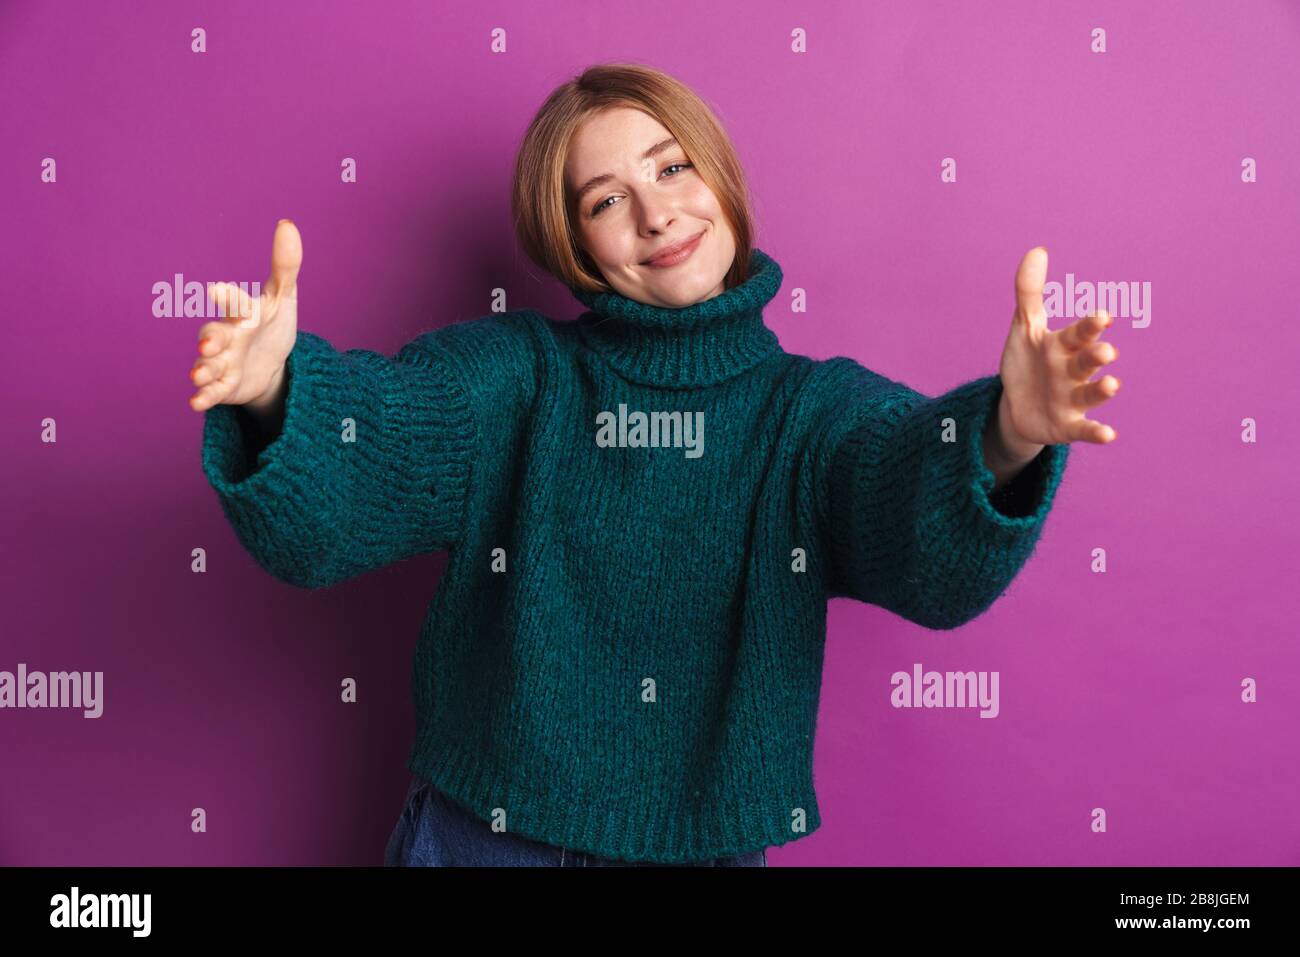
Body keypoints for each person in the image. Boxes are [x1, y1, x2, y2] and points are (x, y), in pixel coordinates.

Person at [190, 63, 1120, 867]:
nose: (657, 211)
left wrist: (1004, 436)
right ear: (574, 243)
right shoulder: (517, 379)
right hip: (487, 838)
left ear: (718, 175)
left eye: (673, 166)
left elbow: (905, 502)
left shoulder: (810, 414)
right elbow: (376, 449)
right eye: (604, 199)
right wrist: (279, 393)